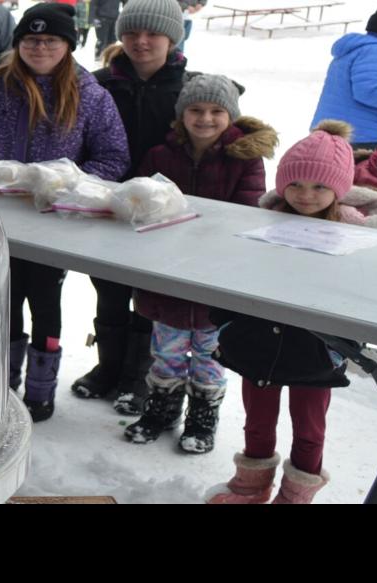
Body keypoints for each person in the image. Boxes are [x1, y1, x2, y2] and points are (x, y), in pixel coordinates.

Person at [0, 2, 128, 421]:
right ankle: (2, 384)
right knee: (1, 300)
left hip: (53, 223)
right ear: (18, 44)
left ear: (68, 45)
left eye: (50, 40)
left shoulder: (91, 96)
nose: (39, 48)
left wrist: (65, 183)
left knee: (46, 303)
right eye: (30, 39)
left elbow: (113, 157)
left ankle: (41, 391)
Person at [207, 121, 377, 504]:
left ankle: (295, 497)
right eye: (296, 184)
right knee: (257, 423)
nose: (305, 195)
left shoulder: (358, 235)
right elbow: (232, 271)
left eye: (319, 186)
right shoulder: (261, 222)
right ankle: (250, 489)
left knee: (309, 429)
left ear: (338, 188)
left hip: (317, 350)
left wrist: (346, 340)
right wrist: (224, 321)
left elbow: (363, 288)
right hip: (258, 344)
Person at [124, 74, 275, 453]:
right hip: (167, 276)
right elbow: (142, 203)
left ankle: (203, 417)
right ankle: (162, 408)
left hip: (216, 280)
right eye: (195, 109)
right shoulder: (160, 155)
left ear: (230, 115)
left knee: (210, 355)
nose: (205, 119)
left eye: (215, 111)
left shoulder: (245, 159)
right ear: (182, 113)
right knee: (166, 351)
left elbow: (246, 215)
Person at [73, 0, 192, 416]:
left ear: (172, 38)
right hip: (107, 204)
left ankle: (138, 375)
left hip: (165, 214)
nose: (141, 41)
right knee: (108, 290)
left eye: (153, 33)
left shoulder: (190, 89)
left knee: (150, 295)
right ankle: (108, 367)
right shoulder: (99, 83)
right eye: (132, 33)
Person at [310, 7, 377, 151]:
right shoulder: (375, 51)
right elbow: (368, 92)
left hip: (337, 130)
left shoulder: (358, 47)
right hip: (360, 135)